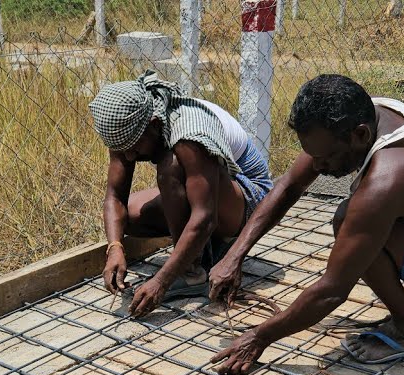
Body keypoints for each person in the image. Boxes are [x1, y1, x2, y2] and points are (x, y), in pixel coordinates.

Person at [209, 74, 404, 375]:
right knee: (361, 220)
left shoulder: (389, 176)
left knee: (348, 220)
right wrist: (234, 255)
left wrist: (258, 337)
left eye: (326, 157)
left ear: (360, 135)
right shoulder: (363, 113)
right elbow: (289, 186)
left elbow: (333, 289)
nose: (317, 166)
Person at [88, 73, 274, 317]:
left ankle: (192, 273)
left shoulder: (189, 135)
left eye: (134, 148)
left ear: (154, 124)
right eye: (123, 150)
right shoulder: (125, 130)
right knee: (129, 217)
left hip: (251, 198)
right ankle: (206, 249)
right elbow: (115, 198)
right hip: (211, 194)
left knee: (170, 165)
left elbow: (205, 217)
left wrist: (161, 281)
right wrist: (115, 247)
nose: (130, 157)